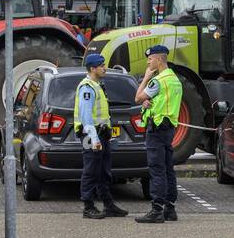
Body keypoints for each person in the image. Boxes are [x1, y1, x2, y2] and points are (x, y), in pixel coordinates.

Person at [134, 44, 183, 224]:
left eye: (150, 59)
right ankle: (170, 208)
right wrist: (149, 102)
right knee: (168, 168)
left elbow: (137, 97)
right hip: (169, 128)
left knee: (157, 169)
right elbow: (164, 101)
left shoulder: (158, 81)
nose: (148, 63)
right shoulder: (174, 79)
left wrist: (146, 77)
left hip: (156, 129)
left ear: (159, 59)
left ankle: (156, 210)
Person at [75, 53, 127, 219]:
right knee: (91, 170)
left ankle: (108, 205)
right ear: (92, 68)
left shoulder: (97, 85)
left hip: (101, 134)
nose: (105, 68)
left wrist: (106, 135)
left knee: (104, 171)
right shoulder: (87, 88)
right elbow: (86, 116)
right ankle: (88, 207)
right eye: (102, 65)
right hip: (90, 135)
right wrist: (94, 139)